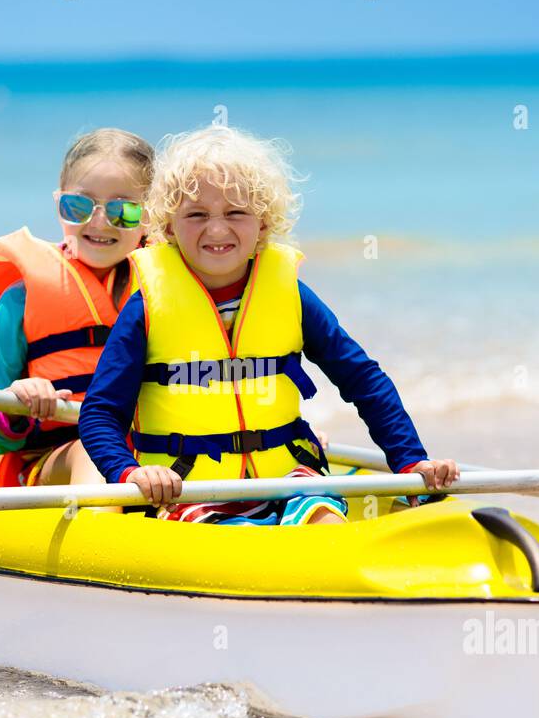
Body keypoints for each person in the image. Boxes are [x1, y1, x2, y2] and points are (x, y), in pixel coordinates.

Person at [78, 126, 458, 525]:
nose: (218, 229)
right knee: (230, 538)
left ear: (263, 222)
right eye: (197, 214)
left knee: (324, 521)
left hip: (287, 476)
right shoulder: (146, 310)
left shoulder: (290, 294)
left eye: (236, 212)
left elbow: (363, 380)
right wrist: (131, 473)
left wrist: (410, 460)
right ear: (168, 226)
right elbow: (100, 413)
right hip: (186, 488)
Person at [0, 128, 153, 487]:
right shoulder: (22, 299)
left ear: (151, 215)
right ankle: (98, 538)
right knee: (91, 453)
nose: (98, 222)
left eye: (123, 211)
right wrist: (15, 401)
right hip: (56, 461)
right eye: (79, 207)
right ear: (58, 203)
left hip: (150, 459)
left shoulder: (169, 291)